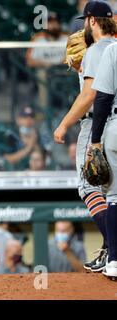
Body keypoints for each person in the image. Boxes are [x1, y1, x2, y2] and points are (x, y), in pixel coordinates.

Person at [53, 1, 116, 273]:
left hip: (97, 123)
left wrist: (63, 125)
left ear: (91, 21)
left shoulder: (93, 51)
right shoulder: (113, 48)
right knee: (112, 193)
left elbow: (90, 94)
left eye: (85, 21)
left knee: (90, 187)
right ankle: (109, 250)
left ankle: (113, 251)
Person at [88, 11, 117, 280]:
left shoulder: (111, 51)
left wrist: (95, 140)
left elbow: (102, 98)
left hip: (115, 126)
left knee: (114, 196)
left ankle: (114, 260)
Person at [26, 12, 69, 108]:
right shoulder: (38, 38)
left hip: (63, 70)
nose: (53, 25)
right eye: (50, 22)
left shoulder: (67, 38)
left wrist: (58, 64)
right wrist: (42, 63)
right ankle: (44, 109)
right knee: (41, 75)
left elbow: (74, 57)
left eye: (55, 22)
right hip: (45, 70)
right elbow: (29, 61)